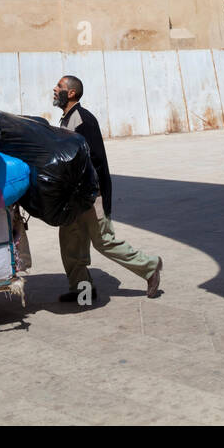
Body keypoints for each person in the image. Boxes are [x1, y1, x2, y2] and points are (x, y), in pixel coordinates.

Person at [52, 75, 162, 305]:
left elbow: (95, 160)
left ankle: (150, 267)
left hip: (90, 196)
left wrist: (95, 194)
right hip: (73, 197)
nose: (55, 89)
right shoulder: (67, 119)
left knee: (104, 241)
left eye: (59, 86)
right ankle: (83, 290)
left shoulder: (83, 119)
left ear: (71, 93)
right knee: (70, 243)